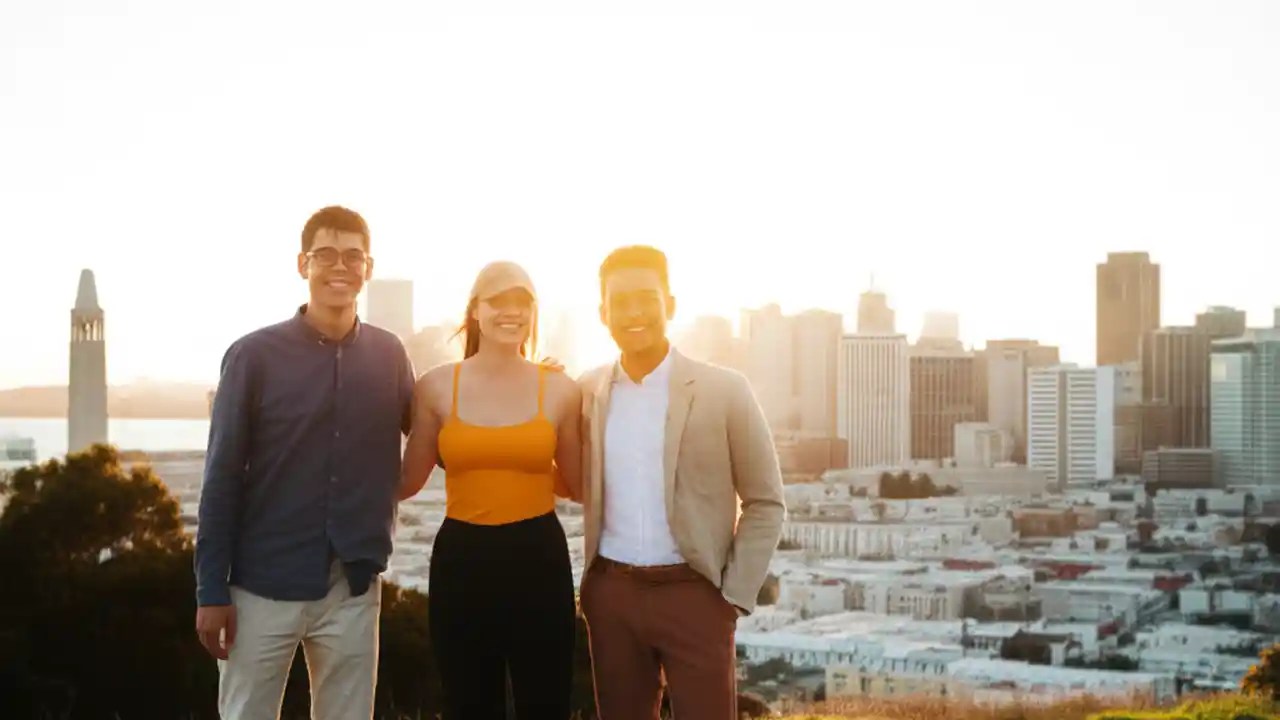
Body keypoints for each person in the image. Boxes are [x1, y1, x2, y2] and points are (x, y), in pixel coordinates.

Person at [194, 206, 414, 719]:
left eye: (354, 256)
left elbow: (434, 432)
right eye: (327, 255)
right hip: (260, 588)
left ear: (369, 267)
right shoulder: (253, 357)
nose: (341, 266)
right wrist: (210, 590)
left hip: (352, 589)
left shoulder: (389, 354)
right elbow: (221, 478)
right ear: (303, 264)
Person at [577, 245, 786, 719]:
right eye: (620, 301)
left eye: (647, 298)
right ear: (602, 313)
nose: (634, 312)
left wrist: (731, 597)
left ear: (670, 304)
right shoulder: (587, 390)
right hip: (612, 597)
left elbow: (766, 501)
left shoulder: (725, 389)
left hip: (696, 595)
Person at [399, 260, 582, 719]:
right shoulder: (436, 387)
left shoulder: (560, 389)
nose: (511, 311)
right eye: (498, 300)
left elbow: (579, 484)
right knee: (468, 704)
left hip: (539, 558)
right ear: (474, 310)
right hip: (462, 560)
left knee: (546, 703)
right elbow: (406, 482)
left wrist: (528, 465)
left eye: (523, 301)